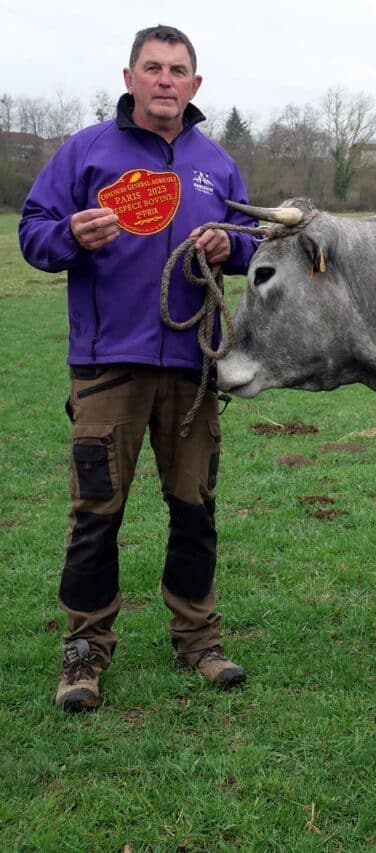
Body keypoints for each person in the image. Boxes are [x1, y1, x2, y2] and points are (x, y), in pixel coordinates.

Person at [19, 25, 258, 712]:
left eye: (177, 69)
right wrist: (69, 235)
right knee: (97, 512)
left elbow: (250, 243)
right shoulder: (86, 152)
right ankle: (83, 651)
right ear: (128, 78)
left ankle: (200, 641)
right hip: (106, 367)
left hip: (191, 369)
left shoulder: (217, 162)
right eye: (151, 68)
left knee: (195, 510)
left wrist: (228, 245)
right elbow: (33, 229)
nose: (164, 80)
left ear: (195, 84)